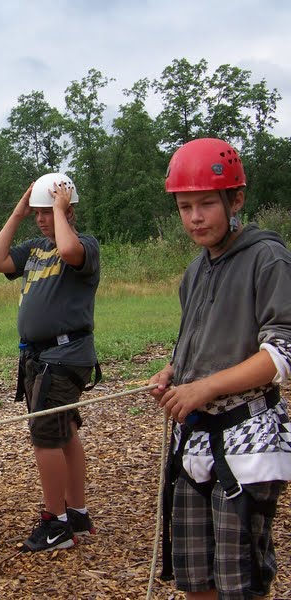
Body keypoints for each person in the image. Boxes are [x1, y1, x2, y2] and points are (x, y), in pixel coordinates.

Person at [149, 138, 291, 599]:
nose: (195, 217)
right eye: (185, 206)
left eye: (207, 203)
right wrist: (174, 373)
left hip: (246, 441)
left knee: (238, 586)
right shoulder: (196, 271)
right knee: (197, 579)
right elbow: (201, 342)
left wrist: (205, 387)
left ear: (237, 199)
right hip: (196, 442)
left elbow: (282, 353)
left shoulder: (267, 258)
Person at [0, 172, 101, 553]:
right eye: (37, 212)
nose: (41, 218)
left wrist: (60, 210)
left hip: (65, 356)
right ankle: (77, 514)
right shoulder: (35, 248)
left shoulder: (85, 245)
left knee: (45, 437)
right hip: (39, 357)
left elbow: (69, 253)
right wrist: (17, 213)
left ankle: (56, 523)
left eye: (46, 211)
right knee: (63, 431)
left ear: (66, 209)